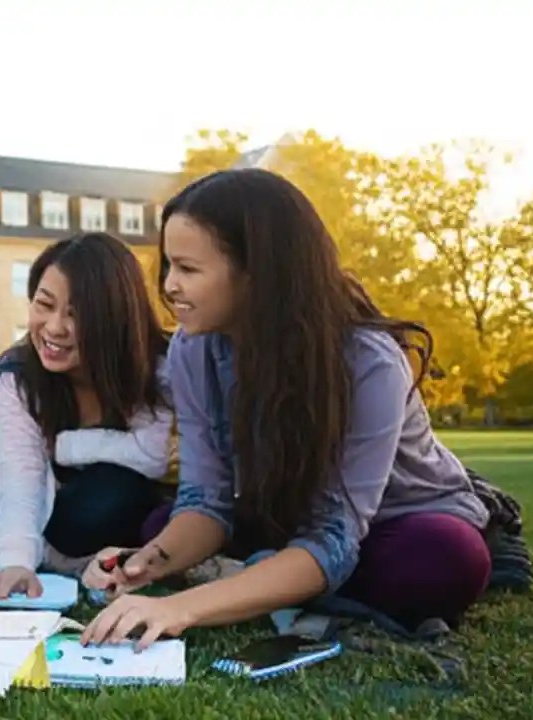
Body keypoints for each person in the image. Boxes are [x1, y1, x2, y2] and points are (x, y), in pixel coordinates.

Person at [81, 168, 496, 648]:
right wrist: (143, 562)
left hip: (393, 519)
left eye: (189, 269)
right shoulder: (192, 351)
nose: (169, 286)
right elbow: (207, 500)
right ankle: (267, 582)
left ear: (259, 274)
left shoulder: (369, 361)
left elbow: (336, 533)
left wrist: (181, 608)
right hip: (281, 515)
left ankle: (253, 580)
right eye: (168, 267)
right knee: (161, 528)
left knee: (445, 559)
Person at [0, 232, 173, 598]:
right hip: (51, 494)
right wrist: (16, 563)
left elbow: (152, 455)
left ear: (113, 320)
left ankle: (80, 551)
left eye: (76, 315)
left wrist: (63, 447)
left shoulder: (156, 364)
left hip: (119, 497)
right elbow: (21, 471)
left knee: (105, 499)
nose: (54, 328)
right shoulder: (18, 371)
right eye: (44, 305)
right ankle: (61, 560)